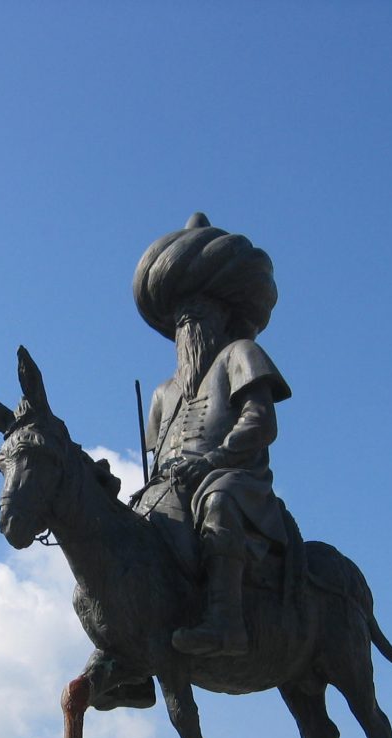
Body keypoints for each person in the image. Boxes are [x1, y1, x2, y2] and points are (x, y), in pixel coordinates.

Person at [132, 213, 292, 657]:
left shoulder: (242, 354)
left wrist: (210, 461)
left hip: (235, 478)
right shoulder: (164, 390)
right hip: (176, 483)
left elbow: (261, 422)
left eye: (197, 315)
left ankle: (226, 622)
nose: (188, 329)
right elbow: (156, 453)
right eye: (181, 321)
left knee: (217, 501)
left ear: (222, 316)